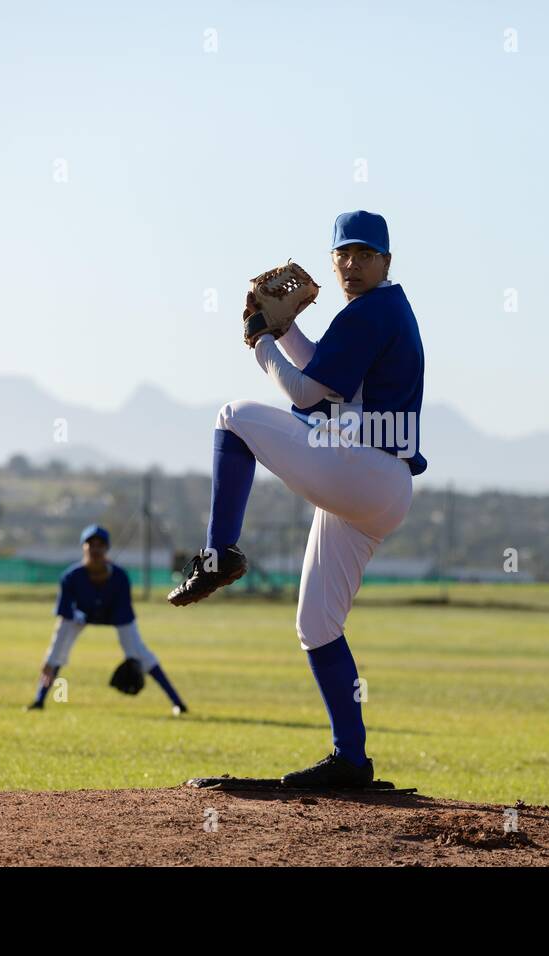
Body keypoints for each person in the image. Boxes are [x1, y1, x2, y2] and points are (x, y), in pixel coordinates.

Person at [168, 210, 425, 788]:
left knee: (232, 418)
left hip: (362, 468)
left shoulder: (373, 308)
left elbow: (307, 395)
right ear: (332, 259)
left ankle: (218, 555)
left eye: (365, 254)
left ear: (386, 261)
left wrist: (261, 342)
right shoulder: (380, 311)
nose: (352, 264)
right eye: (344, 254)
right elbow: (324, 375)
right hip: (376, 486)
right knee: (317, 624)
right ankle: (351, 761)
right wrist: (284, 334)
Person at [28, 524, 187, 714]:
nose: (95, 549)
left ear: (107, 548)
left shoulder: (119, 576)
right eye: (90, 544)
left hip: (116, 616)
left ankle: (178, 703)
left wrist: (132, 657)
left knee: (141, 653)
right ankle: (39, 701)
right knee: (56, 652)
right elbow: (64, 610)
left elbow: (124, 614)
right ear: (83, 547)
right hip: (79, 616)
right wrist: (52, 655)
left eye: (100, 544)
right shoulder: (71, 576)